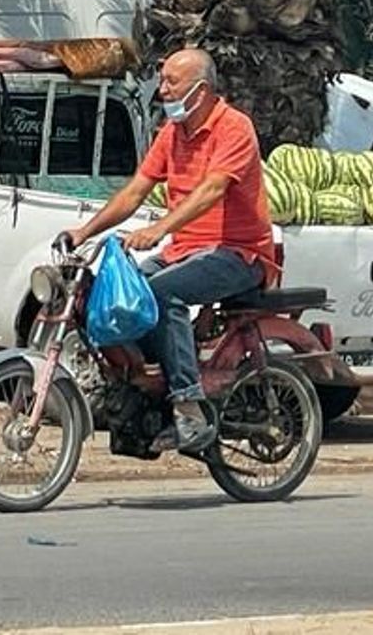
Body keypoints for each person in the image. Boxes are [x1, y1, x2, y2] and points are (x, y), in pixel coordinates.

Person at [61, 49, 272, 454]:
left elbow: (212, 189)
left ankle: (189, 404)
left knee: (163, 293)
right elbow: (136, 190)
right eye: (163, 81)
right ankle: (149, 382)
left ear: (201, 90)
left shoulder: (234, 128)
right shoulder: (172, 134)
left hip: (238, 254)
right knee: (125, 297)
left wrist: (158, 229)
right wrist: (84, 231)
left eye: (171, 82)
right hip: (186, 251)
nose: (163, 90)